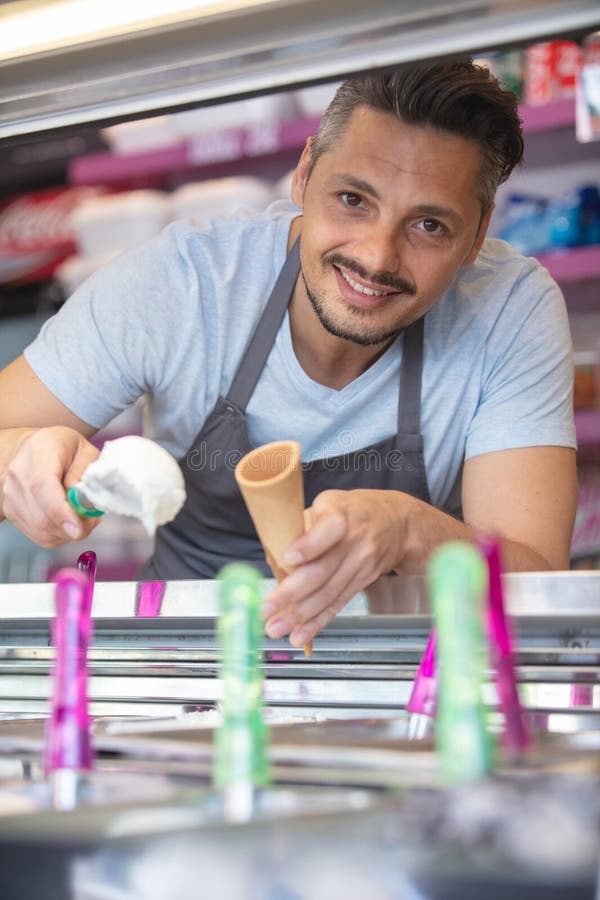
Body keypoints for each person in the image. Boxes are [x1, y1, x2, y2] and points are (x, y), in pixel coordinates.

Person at [0, 60, 577, 648]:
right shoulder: (186, 284)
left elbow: (538, 586)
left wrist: (413, 531)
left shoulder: (509, 309)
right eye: (352, 199)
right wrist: (18, 457)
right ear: (303, 175)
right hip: (187, 667)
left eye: (428, 225)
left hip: (406, 672)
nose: (377, 257)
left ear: (477, 237)